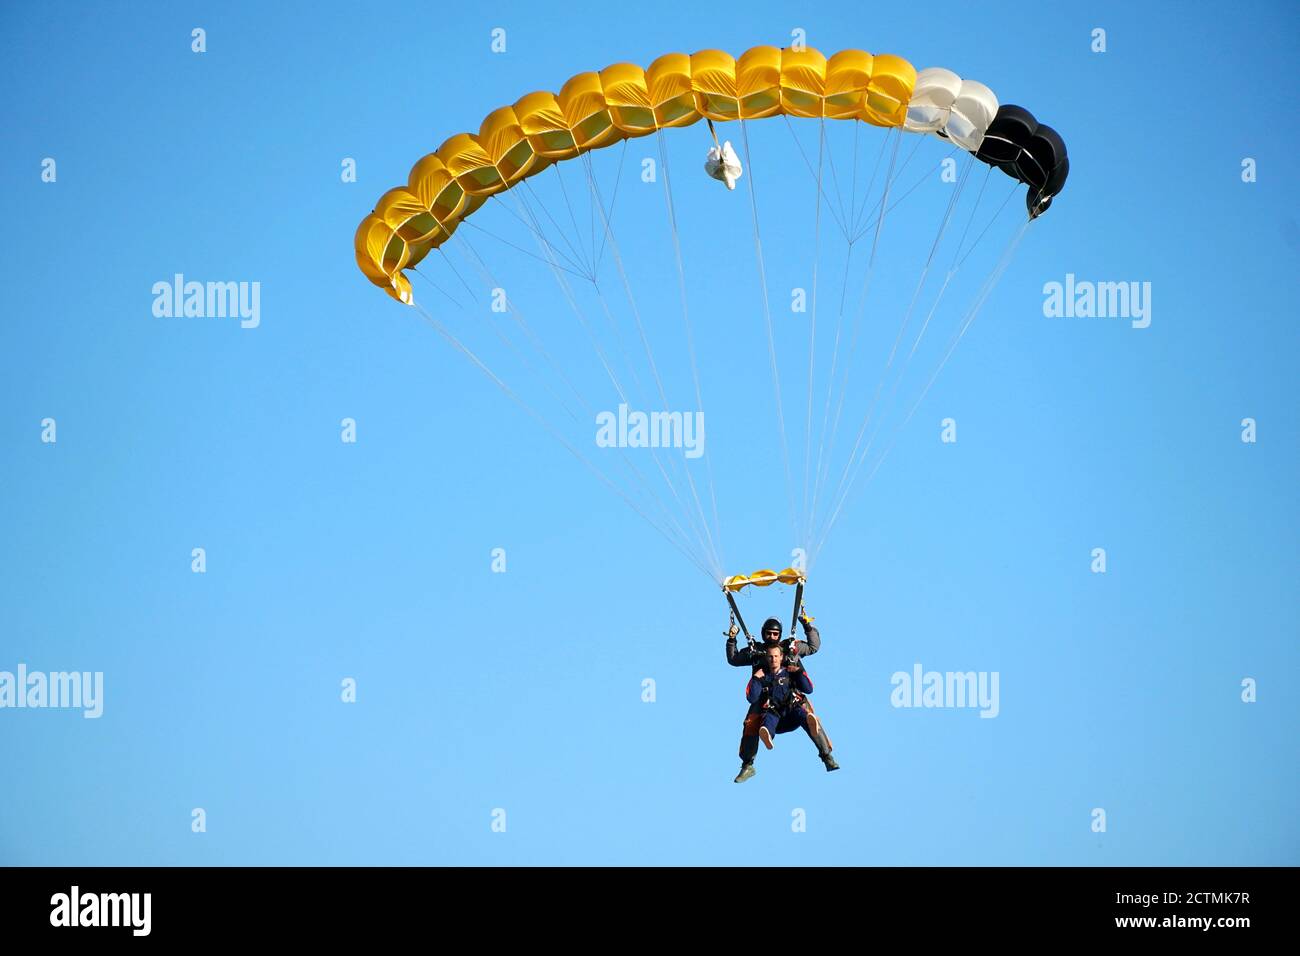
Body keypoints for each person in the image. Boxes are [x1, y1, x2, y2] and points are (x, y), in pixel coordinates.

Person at [727, 616, 837, 782]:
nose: (771, 637)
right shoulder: (756, 652)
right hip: (766, 700)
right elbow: (734, 659)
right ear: (763, 634)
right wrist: (732, 639)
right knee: (750, 723)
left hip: (791, 696)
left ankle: (827, 756)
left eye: (775, 634)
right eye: (768, 634)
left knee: (809, 716)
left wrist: (807, 626)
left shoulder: (791, 648)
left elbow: (814, 646)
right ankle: (747, 765)